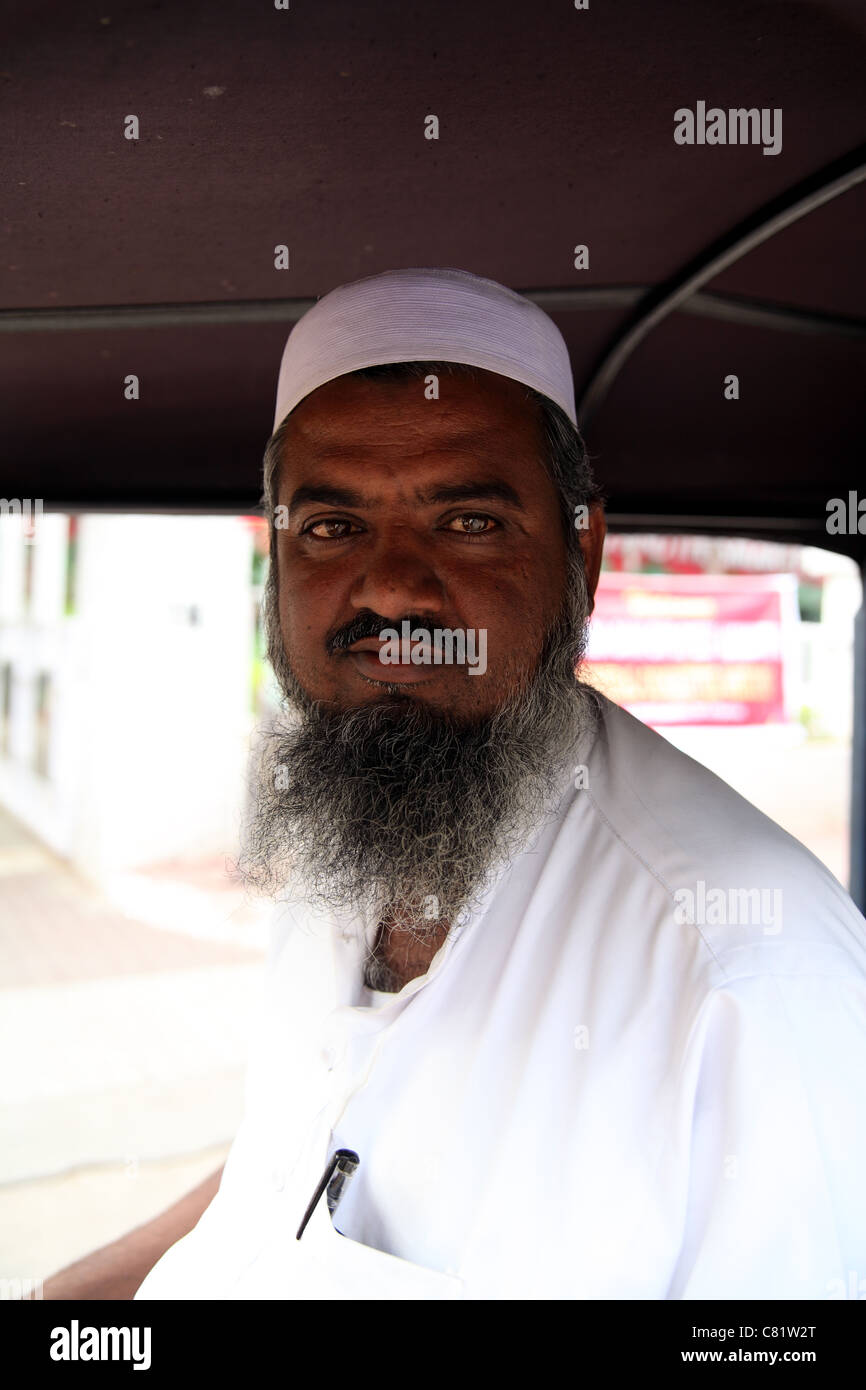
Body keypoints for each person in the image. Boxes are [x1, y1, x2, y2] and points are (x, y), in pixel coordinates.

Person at [50, 266, 866, 1299]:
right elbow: (286, 1170)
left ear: (583, 551)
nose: (389, 585)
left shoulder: (745, 981)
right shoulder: (355, 825)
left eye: (467, 520)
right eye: (331, 525)